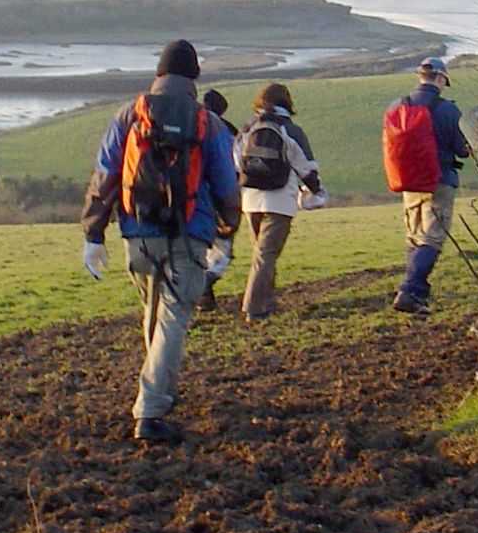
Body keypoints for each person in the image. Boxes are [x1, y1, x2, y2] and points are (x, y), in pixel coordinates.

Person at [80, 39, 242, 444]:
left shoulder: (129, 115)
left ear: (158, 74)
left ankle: (162, 394)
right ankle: (149, 411)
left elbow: (105, 177)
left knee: (153, 316)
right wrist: (228, 230)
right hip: (190, 233)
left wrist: (93, 234)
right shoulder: (207, 122)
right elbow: (225, 183)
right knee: (173, 321)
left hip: (137, 233)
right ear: (194, 78)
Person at [234, 82, 327, 322]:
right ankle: (254, 308)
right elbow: (306, 167)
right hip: (280, 201)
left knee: (262, 254)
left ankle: (268, 301)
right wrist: (315, 192)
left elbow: (235, 161)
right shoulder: (291, 130)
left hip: (251, 199)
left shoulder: (248, 128)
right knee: (266, 255)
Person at [388, 56, 471, 316]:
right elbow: (463, 149)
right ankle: (410, 289)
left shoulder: (397, 105)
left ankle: (419, 298)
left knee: (414, 237)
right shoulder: (447, 110)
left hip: (409, 181)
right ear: (439, 78)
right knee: (433, 238)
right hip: (440, 180)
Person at [196, 88, 239, 312]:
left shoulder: (189, 123)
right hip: (218, 199)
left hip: (190, 199)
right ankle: (207, 282)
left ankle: (203, 295)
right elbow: (233, 170)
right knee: (223, 249)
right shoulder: (227, 130)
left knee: (195, 248)